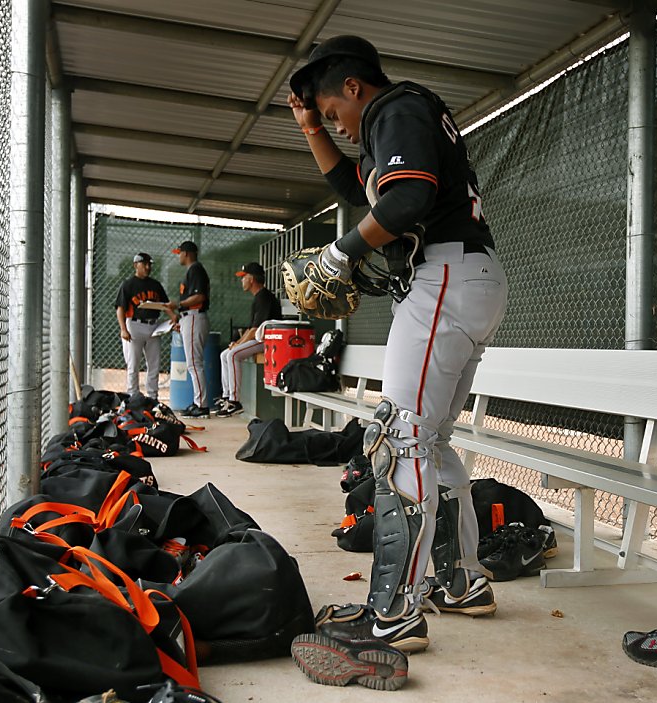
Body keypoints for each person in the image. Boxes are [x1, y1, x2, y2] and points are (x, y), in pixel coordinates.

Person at [285, 35, 509, 670]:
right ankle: (458, 581)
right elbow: (362, 193)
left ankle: (392, 614)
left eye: (333, 112)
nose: (338, 125)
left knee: (399, 439)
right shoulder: (398, 118)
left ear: (355, 87)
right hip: (464, 278)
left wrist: (338, 254)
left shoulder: (397, 108)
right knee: (429, 440)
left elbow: (405, 201)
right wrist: (310, 129)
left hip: (442, 278)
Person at [216, 262, 282, 418]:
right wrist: (237, 343)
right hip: (262, 339)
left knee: (232, 355)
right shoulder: (258, 297)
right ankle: (227, 397)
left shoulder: (264, 297)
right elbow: (251, 328)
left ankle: (234, 401)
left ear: (251, 279)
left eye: (244, 277)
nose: (242, 280)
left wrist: (238, 345)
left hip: (270, 340)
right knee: (224, 354)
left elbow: (254, 330)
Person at [114, 253, 175, 401]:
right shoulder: (128, 284)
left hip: (154, 326)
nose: (148, 267)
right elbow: (120, 308)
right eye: (144, 264)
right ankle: (132, 396)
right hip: (134, 324)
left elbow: (164, 305)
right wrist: (123, 329)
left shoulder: (155, 285)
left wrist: (173, 317)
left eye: (149, 264)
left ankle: (153, 397)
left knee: (154, 365)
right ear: (136, 265)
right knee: (133, 364)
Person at [167, 240, 211, 418]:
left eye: (180, 253)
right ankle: (198, 403)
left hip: (194, 316)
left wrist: (178, 304)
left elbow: (199, 296)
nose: (179, 255)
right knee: (194, 364)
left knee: (194, 364)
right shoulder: (193, 270)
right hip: (189, 318)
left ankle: (201, 405)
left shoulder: (196, 269)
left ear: (187, 253)